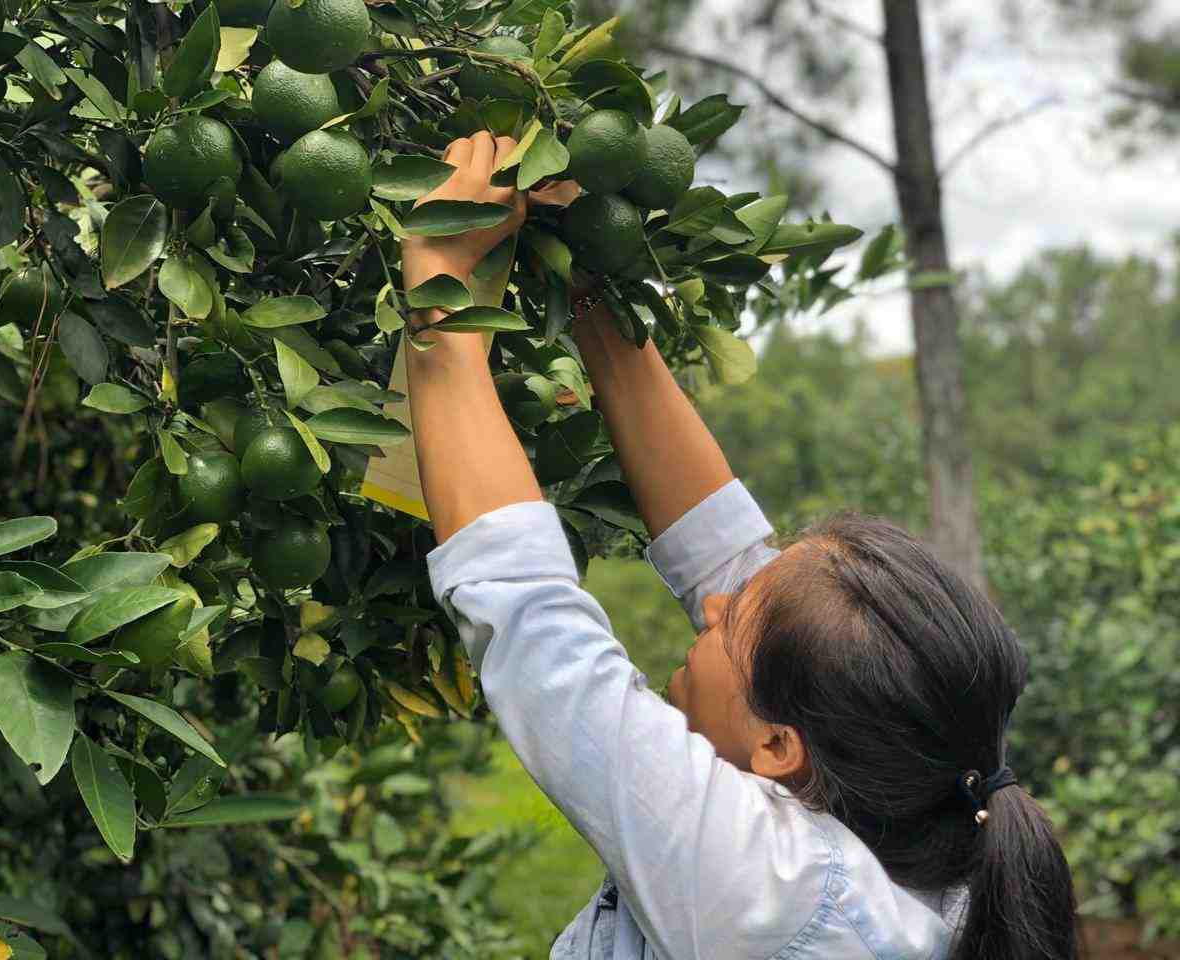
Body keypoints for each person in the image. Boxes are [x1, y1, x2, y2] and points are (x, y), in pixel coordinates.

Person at [400, 130, 1080, 960]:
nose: (711, 604)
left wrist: (437, 290)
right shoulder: (914, 815)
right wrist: (590, 283)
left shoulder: (774, 897)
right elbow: (733, 562)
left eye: (731, 624)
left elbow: (542, 636)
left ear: (779, 748)